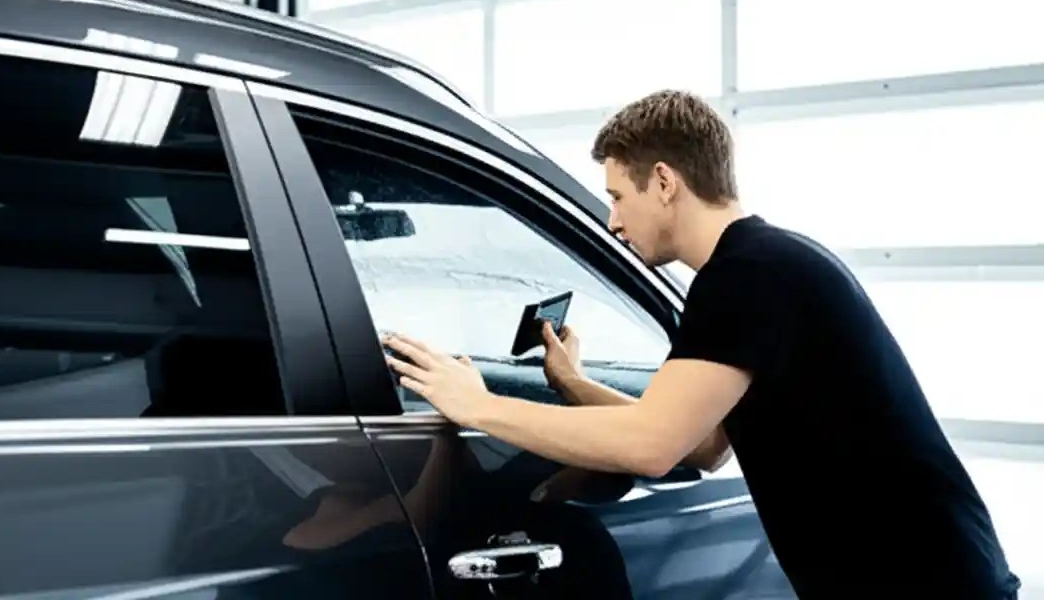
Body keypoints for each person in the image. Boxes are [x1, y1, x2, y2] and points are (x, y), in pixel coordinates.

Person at [383, 89, 1020, 599]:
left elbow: (653, 447)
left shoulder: (745, 276)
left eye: (617, 196)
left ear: (664, 182)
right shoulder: (765, 262)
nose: (613, 220)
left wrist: (479, 405)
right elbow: (706, 444)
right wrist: (573, 384)